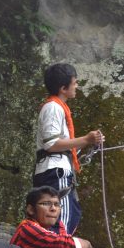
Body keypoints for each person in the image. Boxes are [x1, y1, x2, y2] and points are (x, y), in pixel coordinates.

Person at [34, 63, 103, 234]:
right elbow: (51, 145)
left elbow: (63, 147)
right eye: (75, 83)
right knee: (60, 222)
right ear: (63, 88)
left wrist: (88, 142)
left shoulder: (57, 107)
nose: (77, 86)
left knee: (68, 217)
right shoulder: (53, 108)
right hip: (55, 172)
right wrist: (86, 138)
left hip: (57, 170)